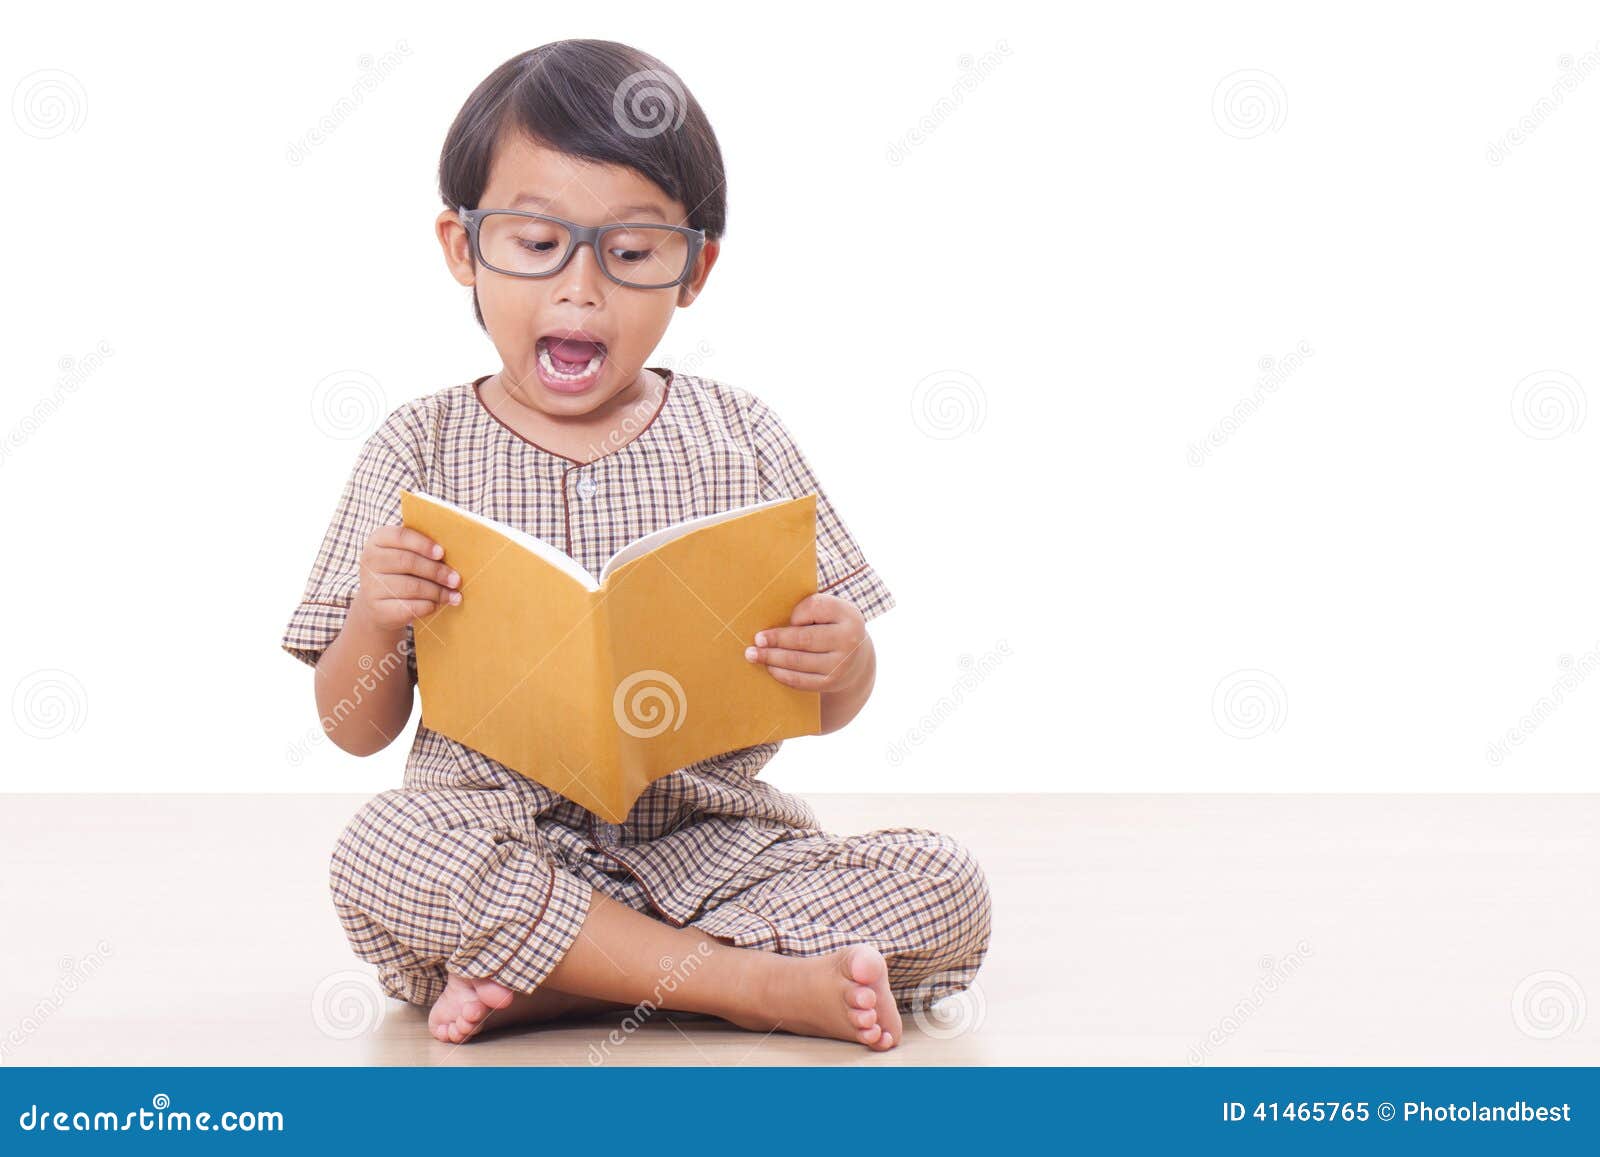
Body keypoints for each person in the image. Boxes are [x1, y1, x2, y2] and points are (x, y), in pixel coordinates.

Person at [281, 39, 991, 1051]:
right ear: (461, 247)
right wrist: (374, 619)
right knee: (384, 850)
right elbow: (354, 728)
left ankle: (566, 979)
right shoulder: (417, 445)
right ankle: (744, 983)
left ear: (694, 267)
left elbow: (834, 701)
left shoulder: (741, 434)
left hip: (714, 852)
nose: (580, 290)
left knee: (942, 883)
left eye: (631, 251)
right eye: (537, 242)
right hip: (504, 847)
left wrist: (844, 659)